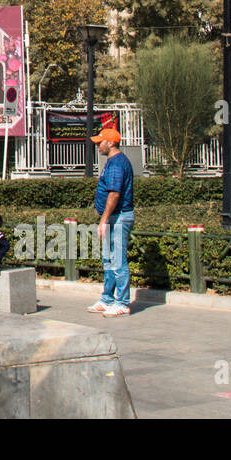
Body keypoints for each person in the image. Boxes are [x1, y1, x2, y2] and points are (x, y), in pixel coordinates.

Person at [87, 126, 135, 317]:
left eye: (100, 142)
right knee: (109, 259)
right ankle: (107, 299)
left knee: (118, 260)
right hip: (114, 217)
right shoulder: (113, 161)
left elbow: (114, 194)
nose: (98, 145)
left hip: (118, 217)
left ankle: (122, 302)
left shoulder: (116, 164)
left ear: (111, 143)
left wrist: (104, 220)